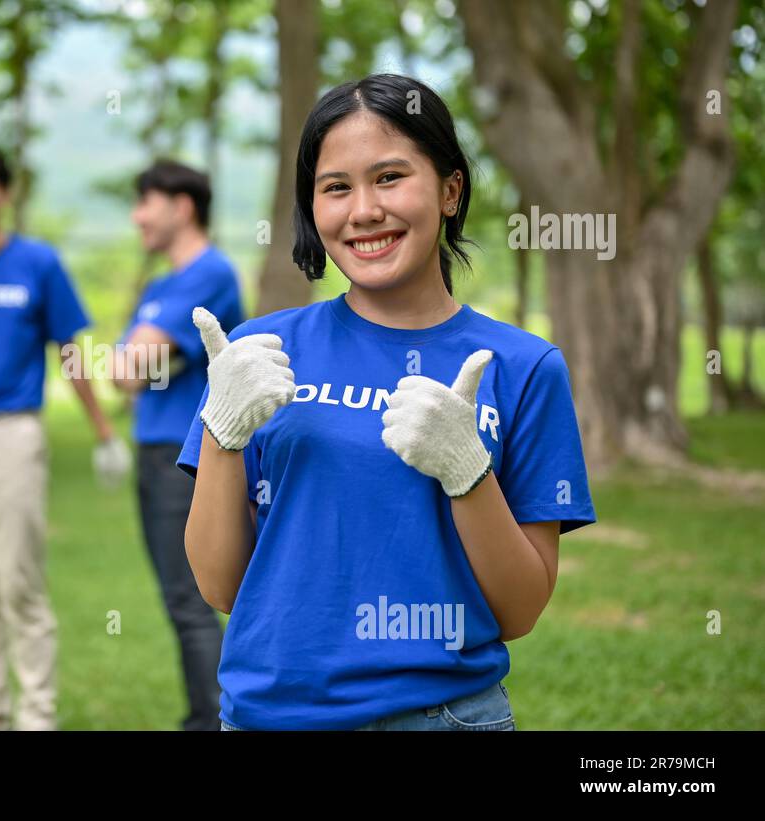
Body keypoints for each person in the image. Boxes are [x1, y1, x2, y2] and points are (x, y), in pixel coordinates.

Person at [178, 74, 597, 731]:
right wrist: (220, 431)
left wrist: (468, 472)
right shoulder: (258, 354)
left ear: (450, 190)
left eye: (390, 177)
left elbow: (519, 610)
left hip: (444, 716)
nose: (364, 210)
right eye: (336, 187)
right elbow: (220, 586)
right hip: (267, 716)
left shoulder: (523, 366)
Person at [0, 146, 127, 731]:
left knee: (19, 582)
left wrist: (104, 431)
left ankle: (37, 712)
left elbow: (68, 353)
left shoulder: (37, 264)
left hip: (13, 435)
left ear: (4, 194)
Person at [111, 160, 242, 731]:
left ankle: (213, 721)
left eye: (146, 202)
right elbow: (125, 370)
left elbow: (130, 367)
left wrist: (137, 362)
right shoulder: (164, 283)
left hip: (185, 457)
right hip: (154, 449)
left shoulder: (209, 273)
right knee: (178, 597)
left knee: (192, 600)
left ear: (182, 207)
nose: (137, 216)